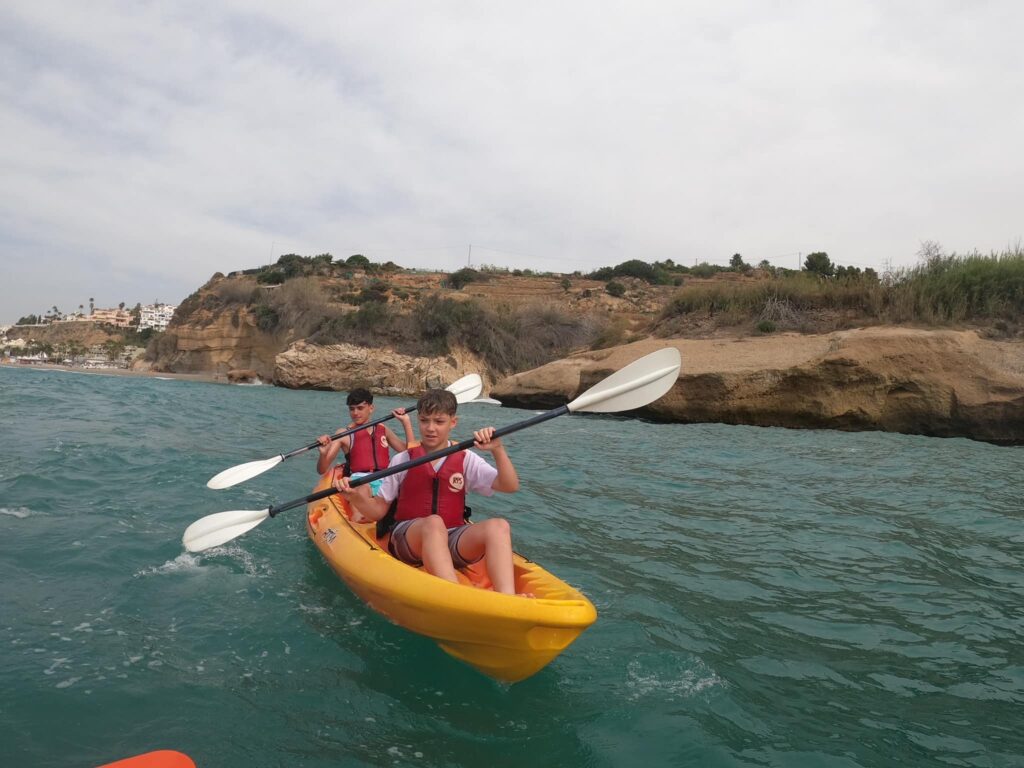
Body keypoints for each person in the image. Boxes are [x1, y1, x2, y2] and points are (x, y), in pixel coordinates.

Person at [333, 388, 525, 596]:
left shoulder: (465, 458)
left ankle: (509, 598)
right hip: (408, 540)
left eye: (439, 422)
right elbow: (378, 511)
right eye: (424, 421)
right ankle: (456, 597)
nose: (430, 428)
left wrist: (497, 450)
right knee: (434, 523)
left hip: (452, 538)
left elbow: (509, 486)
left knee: (498, 526)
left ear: (453, 422)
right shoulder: (403, 460)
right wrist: (355, 498)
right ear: (418, 421)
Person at [316, 388, 414, 499]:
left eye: (360, 408)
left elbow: (410, 453)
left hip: (385, 478)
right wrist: (323, 454)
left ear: (371, 408)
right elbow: (322, 470)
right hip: (359, 481)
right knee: (363, 492)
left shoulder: (383, 429)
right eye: (352, 409)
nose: (355, 413)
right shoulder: (343, 434)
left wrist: (406, 422)